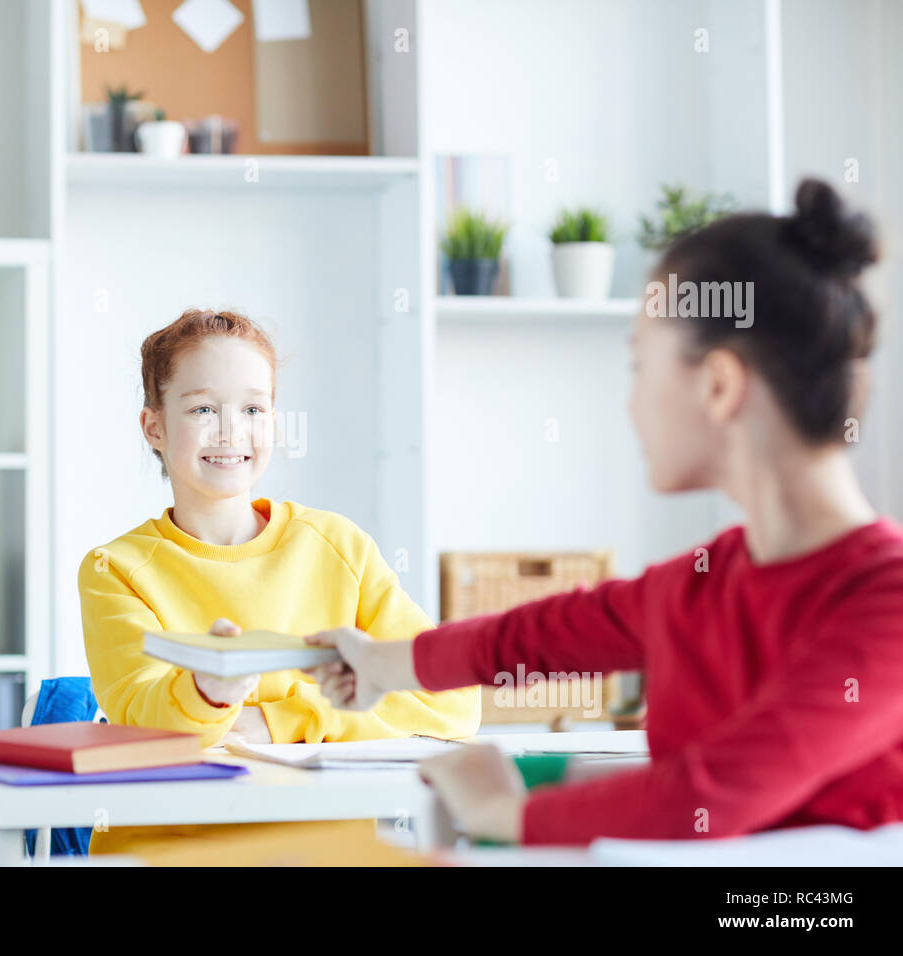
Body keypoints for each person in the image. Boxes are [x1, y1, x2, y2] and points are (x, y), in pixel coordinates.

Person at [308, 179, 903, 846]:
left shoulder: (888, 599)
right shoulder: (703, 582)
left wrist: (503, 815)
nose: (631, 405)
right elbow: (535, 639)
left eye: (638, 365)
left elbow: (713, 792)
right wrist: (379, 665)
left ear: (718, 385)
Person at [79, 307, 480, 854]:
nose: (230, 431)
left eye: (252, 408)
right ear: (154, 426)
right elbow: (144, 722)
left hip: (326, 850)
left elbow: (450, 697)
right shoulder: (115, 569)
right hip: (170, 848)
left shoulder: (339, 547)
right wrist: (206, 692)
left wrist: (285, 718)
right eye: (202, 408)